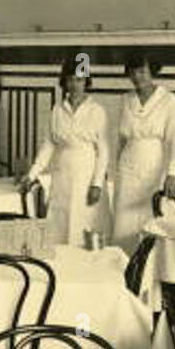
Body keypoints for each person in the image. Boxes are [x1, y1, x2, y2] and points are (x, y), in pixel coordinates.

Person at [21, 57, 111, 246]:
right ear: (64, 82)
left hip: (86, 173)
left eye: (79, 80)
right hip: (62, 174)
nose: (75, 85)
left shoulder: (96, 111)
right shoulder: (57, 110)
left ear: (86, 81)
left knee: (84, 221)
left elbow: (103, 151)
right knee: (60, 222)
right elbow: (49, 145)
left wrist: (97, 184)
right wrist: (32, 174)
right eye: (70, 80)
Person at [111, 53, 175, 253]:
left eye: (142, 71)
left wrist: (172, 173)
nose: (137, 77)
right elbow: (121, 139)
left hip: (155, 165)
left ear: (152, 71)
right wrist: (115, 168)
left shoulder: (168, 100)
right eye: (133, 72)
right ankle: (123, 267)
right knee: (124, 219)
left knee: (152, 218)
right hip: (128, 166)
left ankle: (150, 271)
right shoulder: (126, 99)